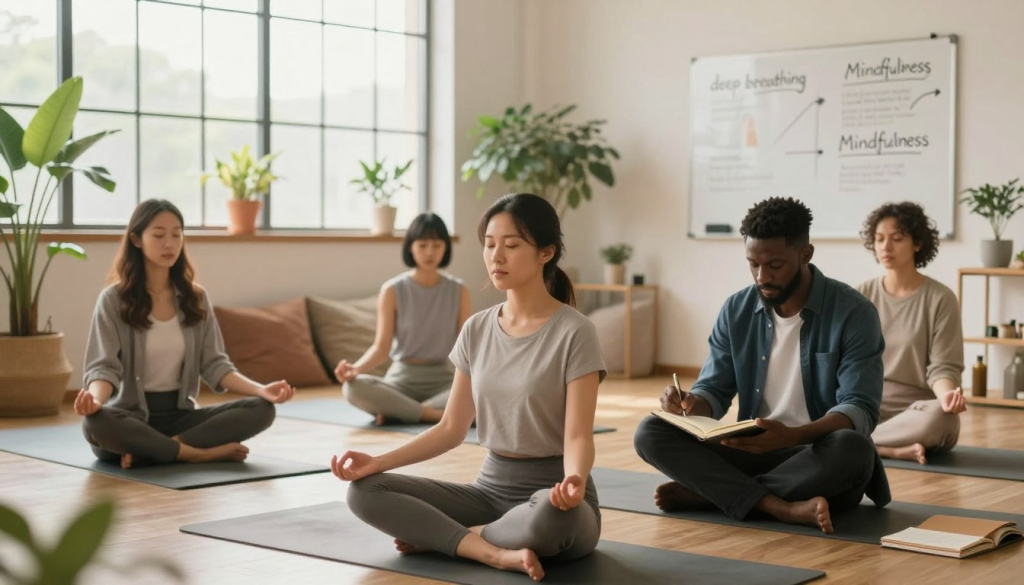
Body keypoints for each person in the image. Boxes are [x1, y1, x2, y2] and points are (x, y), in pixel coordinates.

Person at [331, 194, 606, 582]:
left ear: (546, 253)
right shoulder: (477, 328)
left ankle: (454, 539)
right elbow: (450, 429)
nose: (496, 257)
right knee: (364, 491)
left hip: (554, 495)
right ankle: (491, 552)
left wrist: (575, 480)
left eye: (511, 246)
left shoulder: (576, 332)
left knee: (550, 518)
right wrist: (379, 463)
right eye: (490, 245)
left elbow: (578, 434)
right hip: (488, 493)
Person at [634, 197, 890, 534]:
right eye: (753, 264)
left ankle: (716, 495)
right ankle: (779, 506)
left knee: (854, 448)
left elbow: (860, 409)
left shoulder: (854, 313)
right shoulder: (736, 310)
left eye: (774, 265)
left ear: (805, 254)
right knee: (650, 432)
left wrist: (792, 436)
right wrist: (691, 404)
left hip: (816, 454)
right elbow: (713, 390)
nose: (761, 276)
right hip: (750, 449)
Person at [77, 199, 294, 469]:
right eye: (158, 235)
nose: (169, 243)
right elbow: (103, 367)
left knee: (261, 409)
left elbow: (215, 365)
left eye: (176, 234)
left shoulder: (195, 298)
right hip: (129, 417)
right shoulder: (112, 300)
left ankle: (157, 449)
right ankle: (196, 453)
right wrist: (95, 402)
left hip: (180, 416)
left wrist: (261, 389)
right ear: (136, 239)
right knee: (96, 423)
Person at [335, 213, 471, 425]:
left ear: (446, 248)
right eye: (423, 244)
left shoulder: (459, 290)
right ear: (410, 247)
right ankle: (437, 416)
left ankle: (401, 412)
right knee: (353, 388)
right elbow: (381, 348)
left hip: (444, 381)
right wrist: (356, 369)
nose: (429, 252)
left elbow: (467, 349)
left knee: (483, 390)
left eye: (436, 245)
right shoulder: (392, 290)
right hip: (401, 381)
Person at [858, 202, 965, 465]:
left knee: (943, 419)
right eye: (879, 239)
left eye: (896, 239)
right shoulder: (861, 295)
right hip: (866, 403)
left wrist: (947, 397)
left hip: (916, 411)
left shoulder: (941, 298)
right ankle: (887, 448)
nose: (885, 247)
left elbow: (943, 367)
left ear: (917, 243)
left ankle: (852, 442)